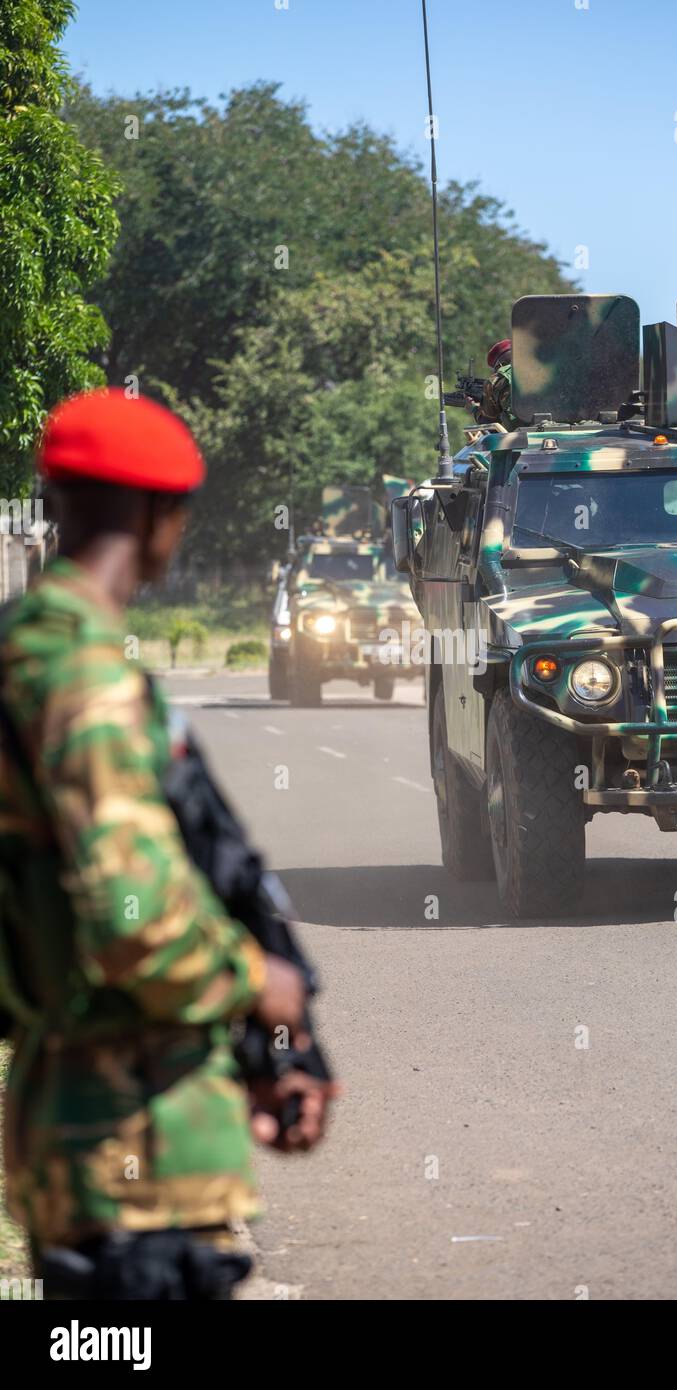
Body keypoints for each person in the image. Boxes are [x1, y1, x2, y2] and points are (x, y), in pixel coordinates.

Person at [0, 388, 337, 1300]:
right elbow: (130, 915)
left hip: (78, 1136)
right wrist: (257, 981)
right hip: (130, 1154)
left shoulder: (29, 648)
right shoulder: (85, 677)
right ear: (160, 515)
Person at [475, 338, 519, 430]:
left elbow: (489, 424)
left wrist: (474, 409)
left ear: (499, 365)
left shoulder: (495, 380)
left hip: (521, 437)